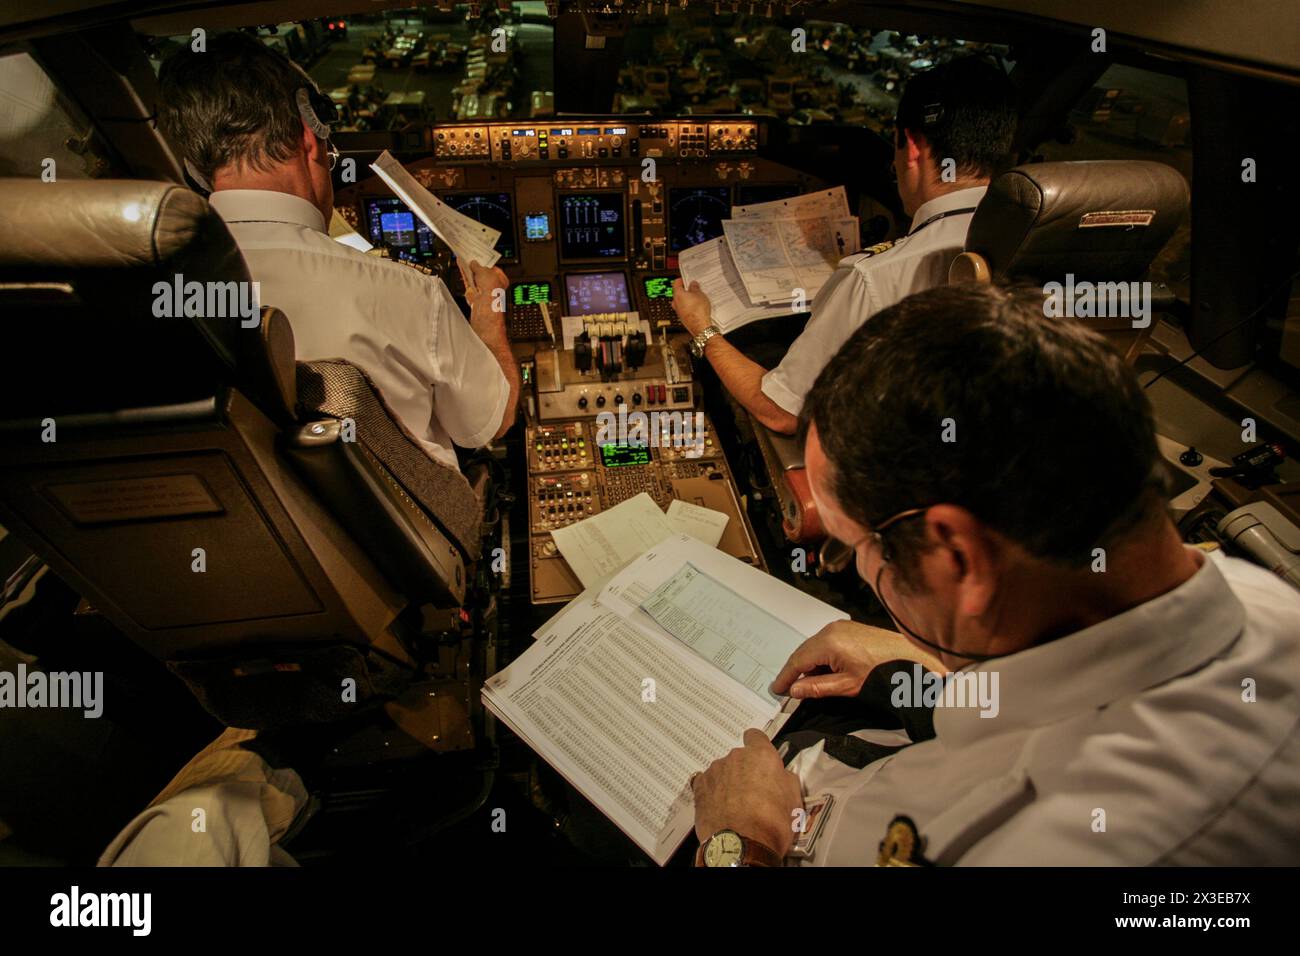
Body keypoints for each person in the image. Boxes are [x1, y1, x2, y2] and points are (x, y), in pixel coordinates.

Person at [690, 284, 1300, 866]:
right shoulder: (1259, 596)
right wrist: (913, 658)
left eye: (849, 550)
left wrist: (743, 845)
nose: (855, 573)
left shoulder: (1070, 843)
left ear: (958, 558)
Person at [156, 32, 518, 472]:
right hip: (412, 534)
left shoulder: (156, 298)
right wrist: (488, 318)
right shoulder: (409, 293)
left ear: (195, 168)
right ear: (310, 141)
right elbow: (491, 422)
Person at [672, 56, 1016, 434]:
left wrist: (702, 326)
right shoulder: (1039, 242)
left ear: (912, 148)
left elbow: (781, 412)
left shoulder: (874, 280)